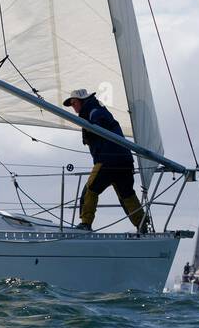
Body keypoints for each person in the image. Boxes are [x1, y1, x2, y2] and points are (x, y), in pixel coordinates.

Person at [63, 89, 147, 232]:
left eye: (74, 103)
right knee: (127, 194)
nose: (73, 107)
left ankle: (85, 224)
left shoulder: (94, 113)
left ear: (82, 101)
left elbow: (100, 124)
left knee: (90, 190)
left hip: (108, 161)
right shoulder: (96, 111)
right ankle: (143, 226)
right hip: (125, 161)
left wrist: (92, 127)